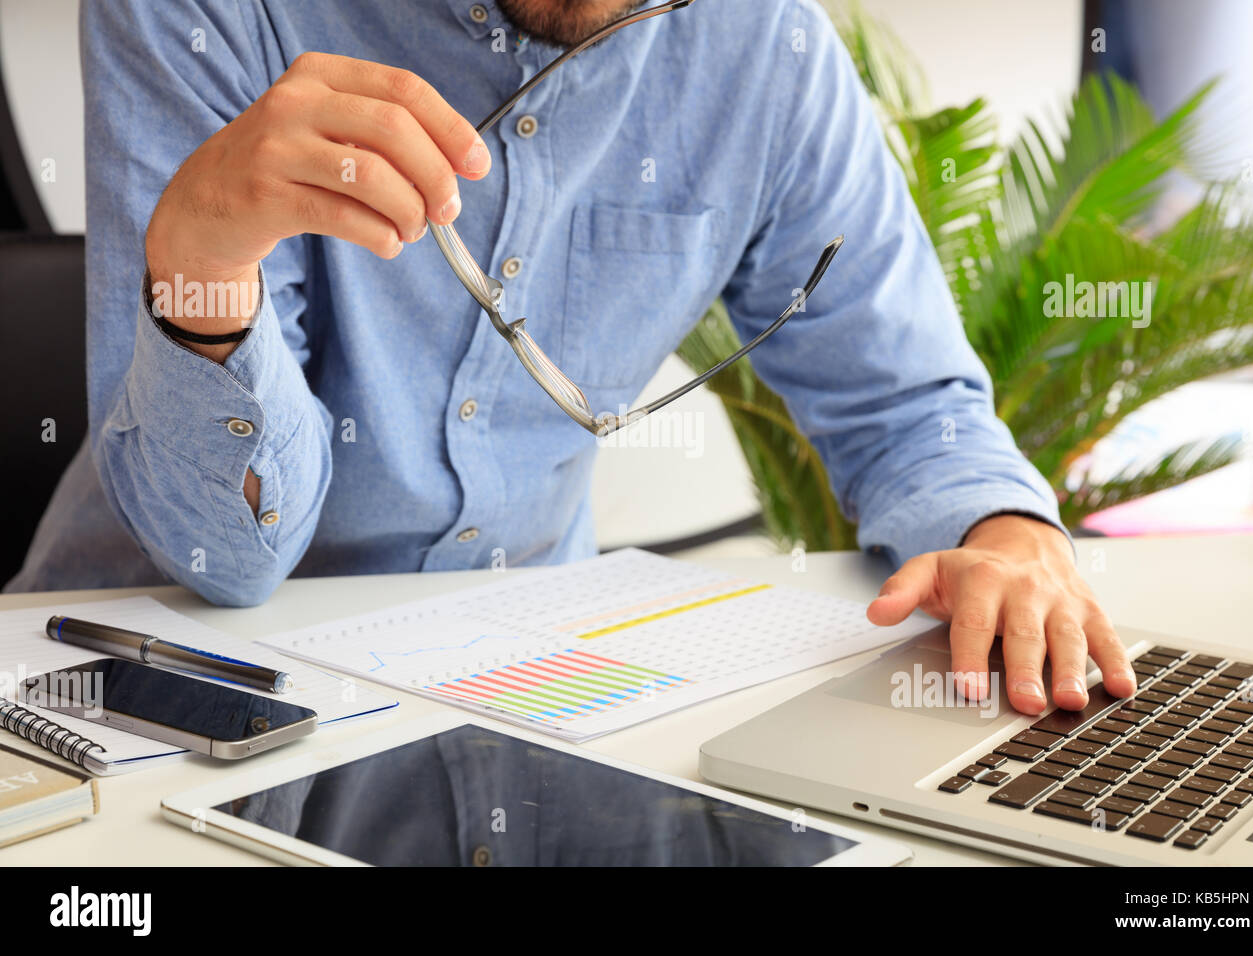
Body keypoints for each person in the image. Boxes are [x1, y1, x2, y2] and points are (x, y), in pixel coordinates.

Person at [6, 0, 1136, 716]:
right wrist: (203, 257)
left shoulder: (764, 46)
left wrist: (1006, 532)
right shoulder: (203, 11)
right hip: (147, 660)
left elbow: (907, 406)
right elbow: (230, 556)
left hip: (529, 681)